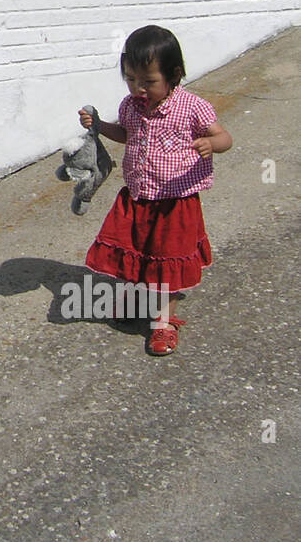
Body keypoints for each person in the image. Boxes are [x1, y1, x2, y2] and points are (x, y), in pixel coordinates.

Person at [80, 25, 232, 355]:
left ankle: (164, 321)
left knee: (168, 260)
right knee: (135, 251)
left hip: (175, 202)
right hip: (138, 197)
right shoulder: (130, 106)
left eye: (148, 81)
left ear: (174, 74)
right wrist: (100, 126)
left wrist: (210, 143)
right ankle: (134, 296)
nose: (139, 88)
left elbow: (225, 137)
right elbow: (127, 134)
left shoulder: (192, 107)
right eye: (132, 79)